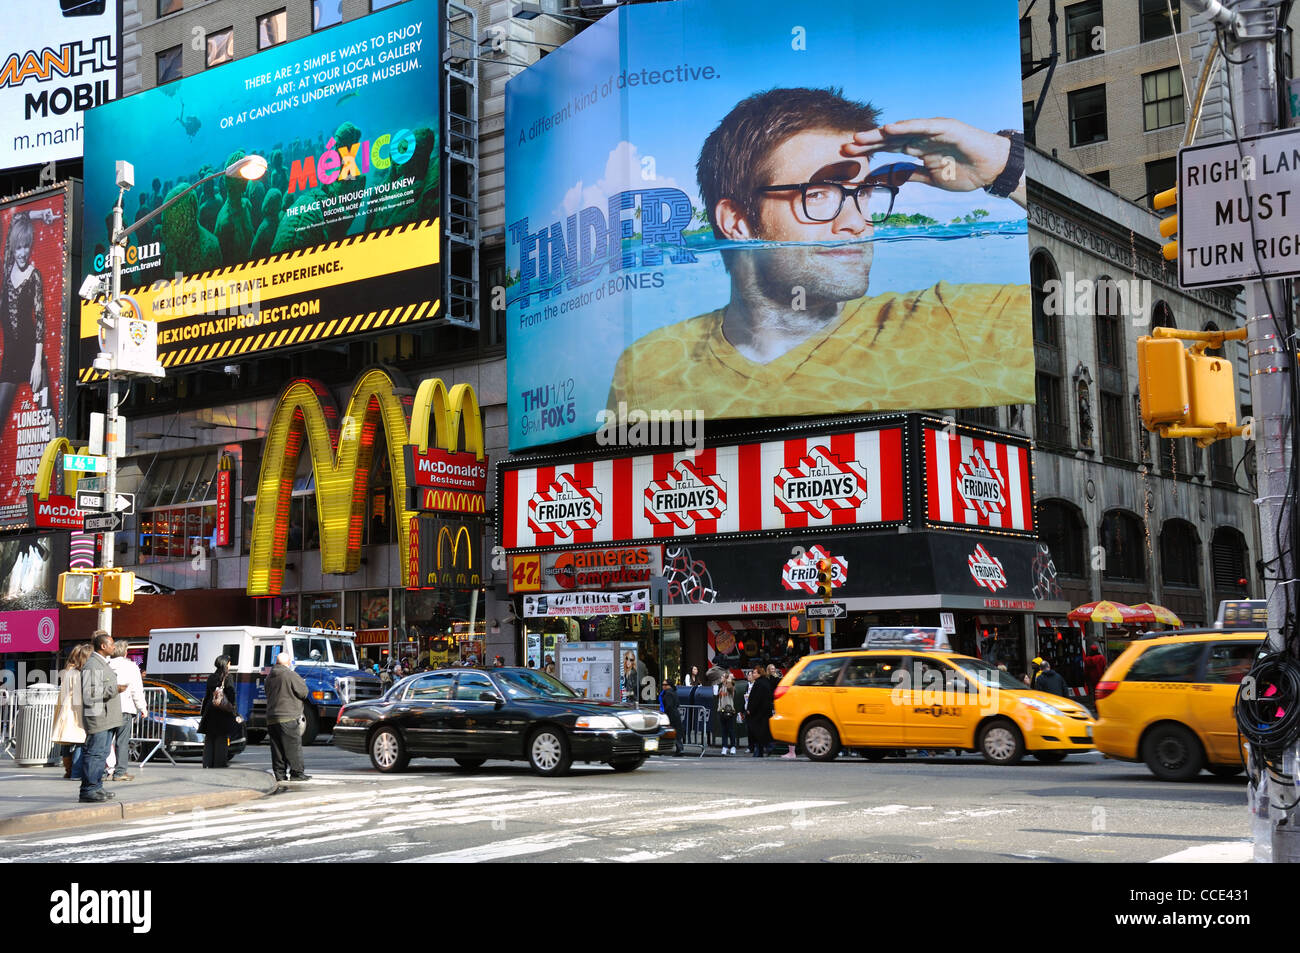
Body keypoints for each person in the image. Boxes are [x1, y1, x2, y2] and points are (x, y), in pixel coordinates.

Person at [607, 88, 1030, 419]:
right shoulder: (649, 364)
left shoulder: (945, 324)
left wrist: (1001, 167)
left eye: (864, 193)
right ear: (737, 221)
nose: (857, 222)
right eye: (820, 194)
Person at [1, 208, 51, 430]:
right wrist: (42, 214)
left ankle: (59, 461)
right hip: (11, 357)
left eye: (26, 246)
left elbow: (40, 319)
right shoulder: (6, 268)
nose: (22, 252)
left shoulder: (34, 275)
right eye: (19, 247)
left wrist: (37, 363)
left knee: (47, 416)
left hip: (32, 354)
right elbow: (15, 218)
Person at [79, 631, 127, 803]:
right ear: (103, 646)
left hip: (106, 718)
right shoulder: (93, 665)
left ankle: (96, 787)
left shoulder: (102, 663)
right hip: (98, 717)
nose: (114, 647)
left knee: (102, 753)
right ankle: (88, 790)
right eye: (112, 644)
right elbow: (89, 693)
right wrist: (115, 689)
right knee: (95, 754)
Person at [265, 652, 311, 783]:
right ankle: (297, 773)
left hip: (271, 717)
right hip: (288, 716)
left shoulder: (269, 677)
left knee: (277, 749)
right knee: (293, 746)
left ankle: (280, 775)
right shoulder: (290, 674)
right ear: (288, 662)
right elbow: (304, 693)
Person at [106, 642, 148, 782]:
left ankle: (103, 770)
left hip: (107, 707)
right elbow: (137, 690)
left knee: (105, 741)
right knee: (122, 741)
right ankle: (120, 772)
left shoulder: (106, 664)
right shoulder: (131, 667)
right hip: (125, 708)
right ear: (125, 653)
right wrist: (142, 708)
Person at [52, 643, 92, 780]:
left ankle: (69, 771)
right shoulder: (81, 673)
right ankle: (75, 772)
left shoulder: (68, 672)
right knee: (81, 740)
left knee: (68, 741)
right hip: (78, 708)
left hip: (67, 707)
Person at [198, 655, 240, 768]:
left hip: (210, 711)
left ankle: (207, 763)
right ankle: (219, 763)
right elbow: (231, 695)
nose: (230, 665)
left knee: (210, 739)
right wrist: (233, 709)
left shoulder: (211, 677)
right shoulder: (228, 677)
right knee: (221, 739)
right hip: (222, 712)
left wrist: (203, 713)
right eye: (229, 663)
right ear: (226, 664)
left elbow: (207, 695)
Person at [745, 666, 774, 758]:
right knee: (761, 731)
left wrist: (750, 709)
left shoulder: (759, 684)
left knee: (757, 731)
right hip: (764, 712)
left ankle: (768, 747)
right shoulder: (765, 682)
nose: (753, 674)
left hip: (758, 713)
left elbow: (756, 699)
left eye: (754, 673)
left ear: (759, 674)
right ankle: (760, 750)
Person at [658, 677, 684, 755]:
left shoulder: (668, 693)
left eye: (665, 684)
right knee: (676, 732)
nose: (663, 686)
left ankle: (677, 749)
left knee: (668, 731)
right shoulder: (673, 692)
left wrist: (664, 712)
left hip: (670, 715)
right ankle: (680, 749)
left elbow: (668, 705)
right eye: (662, 684)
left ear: (669, 685)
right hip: (675, 714)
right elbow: (678, 703)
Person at [715, 674, 738, 755]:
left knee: (731, 730)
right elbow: (719, 698)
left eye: (722, 677)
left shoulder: (730, 686)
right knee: (724, 730)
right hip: (721, 711)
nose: (721, 678)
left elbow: (730, 688)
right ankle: (724, 747)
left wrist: (729, 679)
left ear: (725, 678)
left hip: (729, 711)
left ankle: (733, 746)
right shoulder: (721, 687)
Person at [1084, 643, 1108, 708]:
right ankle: (1101, 704)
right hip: (1101, 678)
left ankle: (1095, 704)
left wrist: (1086, 679)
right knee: (1101, 692)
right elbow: (1104, 667)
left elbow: (1086, 670)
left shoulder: (1087, 660)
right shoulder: (1102, 658)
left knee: (1094, 693)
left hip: (1092, 679)